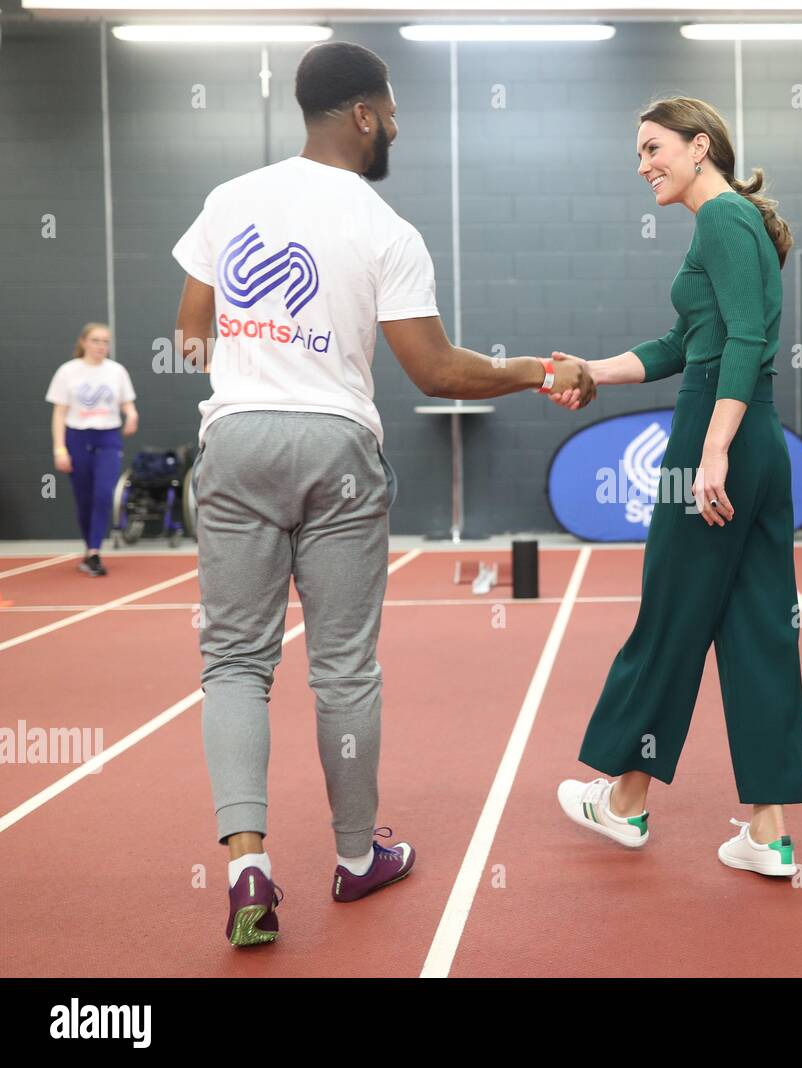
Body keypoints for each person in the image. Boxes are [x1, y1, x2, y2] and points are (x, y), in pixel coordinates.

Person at [171, 41, 594, 946]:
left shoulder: (228, 200)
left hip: (236, 440)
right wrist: (528, 370)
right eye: (392, 110)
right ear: (362, 114)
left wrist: (251, 377)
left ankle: (247, 867)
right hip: (336, 448)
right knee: (342, 668)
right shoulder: (385, 229)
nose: (397, 124)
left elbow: (190, 331)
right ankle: (358, 860)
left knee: (235, 664)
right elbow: (436, 371)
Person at [550, 97, 802, 877]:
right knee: (757, 625)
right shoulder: (735, 224)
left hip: (717, 433)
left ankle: (624, 802)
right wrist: (593, 370)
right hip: (752, 433)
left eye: (653, 148)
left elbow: (751, 342)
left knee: (669, 612)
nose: (643, 166)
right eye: (638, 153)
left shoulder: (721, 220)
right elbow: (683, 344)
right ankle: (767, 831)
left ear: (701, 147)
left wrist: (713, 451)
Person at [45, 322, 139, 576]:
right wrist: (59, 449)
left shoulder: (116, 371)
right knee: (84, 498)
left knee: (103, 494)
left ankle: (96, 551)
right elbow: (59, 413)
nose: (101, 346)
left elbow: (127, 403)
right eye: (96, 340)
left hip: (108, 436)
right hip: (77, 436)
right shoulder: (68, 371)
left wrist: (131, 415)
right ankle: (89, 548)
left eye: (105, 342)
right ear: (84, 342)